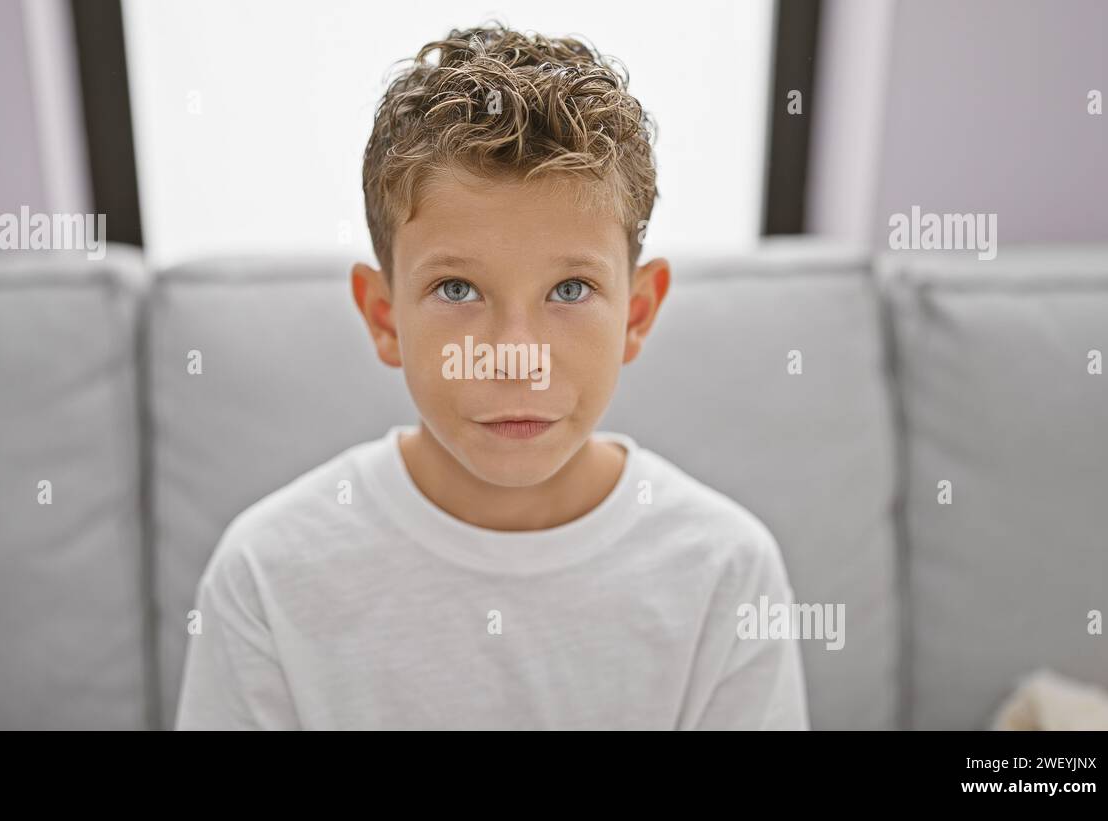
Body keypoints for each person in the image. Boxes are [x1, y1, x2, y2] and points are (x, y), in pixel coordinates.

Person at [175, 21, 808, 730]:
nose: (515, 356)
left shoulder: (726, 573)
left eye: (569, 290)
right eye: (457, 290)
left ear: (637, 313)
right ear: (384, 316)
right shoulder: (266, 575)